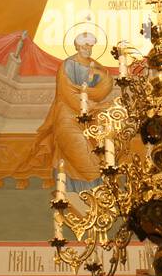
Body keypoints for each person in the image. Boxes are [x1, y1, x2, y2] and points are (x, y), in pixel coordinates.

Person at [28, 32, 113, 188]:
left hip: (90, 119)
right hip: (67, 116)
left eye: (91, 45)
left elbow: (105, 88)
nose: (88, 48)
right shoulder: (68, 65)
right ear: (78, 46)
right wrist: (94, 105)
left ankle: (98, 197)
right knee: (81, 153)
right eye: (85, 45)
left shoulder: (96, 66)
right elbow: (67, 93)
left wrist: (100, 75)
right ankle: (79, 196)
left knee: (98, 152)